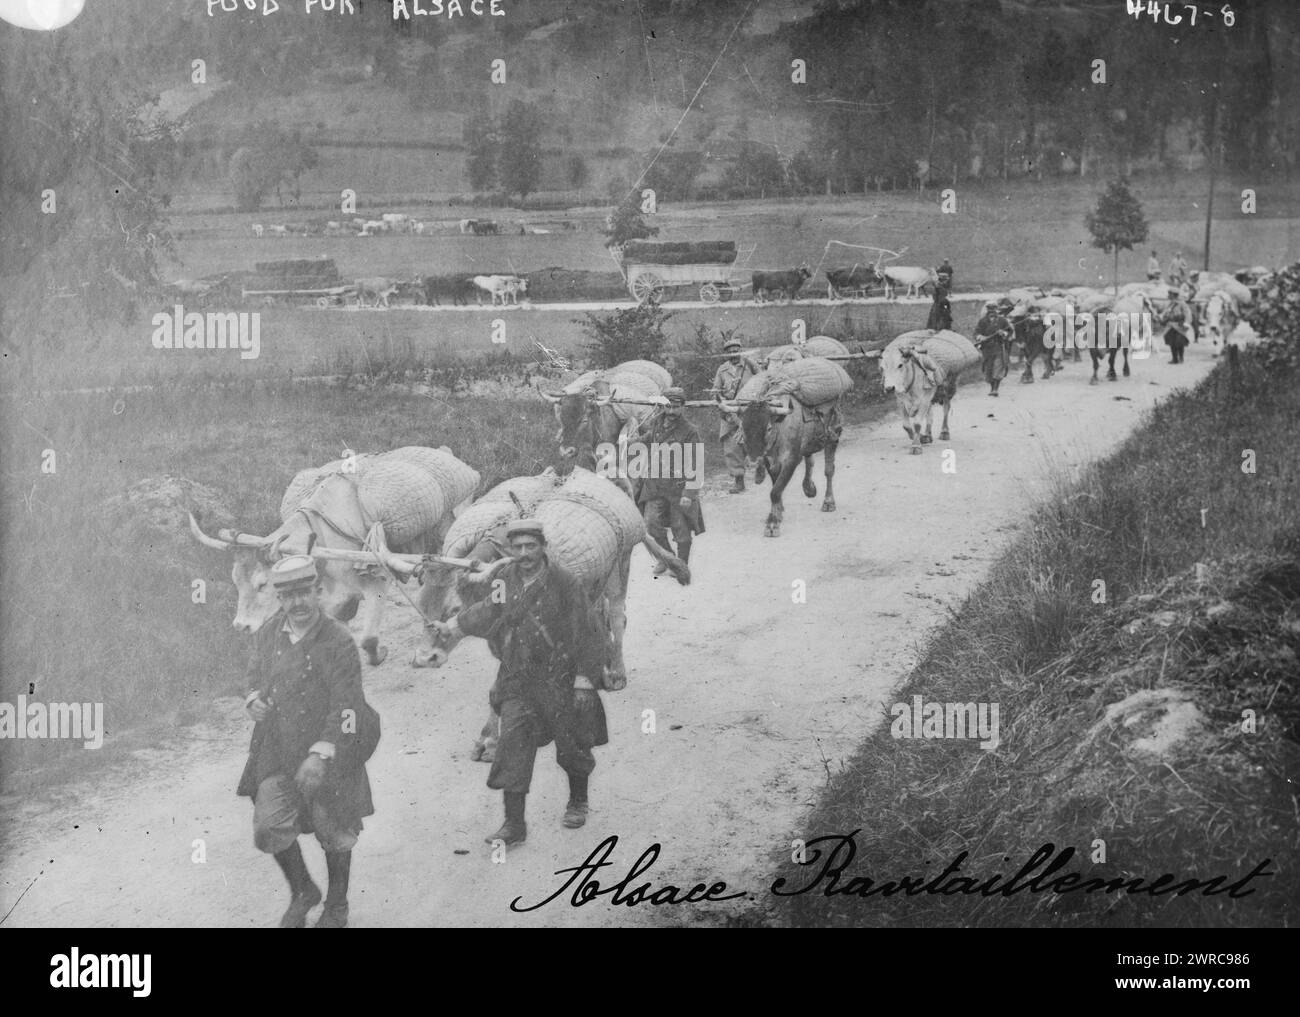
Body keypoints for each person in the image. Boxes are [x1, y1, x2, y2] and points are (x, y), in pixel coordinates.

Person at [428, 520, 608, 847]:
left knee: (573, 743)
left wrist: (584, 678)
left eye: (531, 546)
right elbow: (489, 609)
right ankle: (514, 825)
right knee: (512, 744)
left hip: (561, 678)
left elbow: (588, 630)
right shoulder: (506, 579)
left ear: (542, 547)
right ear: (511, 549)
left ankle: (577, 801)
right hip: (517, 679)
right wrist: (453, 626)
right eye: (518, 547)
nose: (524, 554)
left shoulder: (564, 583)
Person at [238, 555, 377, 929]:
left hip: (332, 750)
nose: (296, 604)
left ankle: (337, 905)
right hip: (279, 749)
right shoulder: (269, 632)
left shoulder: (338, 640)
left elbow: (347, 705)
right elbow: (252, 674)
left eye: (303, 593)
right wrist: (254, 699)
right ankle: (303, 891)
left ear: (318, 591)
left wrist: (321, 753)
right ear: (279, 599)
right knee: (268, 826)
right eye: (287, 596)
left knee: (334, 830)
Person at [637, 387, 705, 573]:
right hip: (655, 485)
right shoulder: (658, 423)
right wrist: (631, 441)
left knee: (681, 531)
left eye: (676, 407)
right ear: (662, 407)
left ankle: (681, 564)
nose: (672, 412)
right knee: (651, 525)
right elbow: (650, 438)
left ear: (683, 407)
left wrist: (689, 494)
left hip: (678, 488)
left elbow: (696, 464)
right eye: (668, 407)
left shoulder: (690, 432)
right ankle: (668, 559)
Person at [711, 337, 761, 493]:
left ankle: (760, 465)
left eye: (736, 350)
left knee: (756, 441)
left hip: (749, 409)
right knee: (731, 446)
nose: (734, 354)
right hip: (729, 412)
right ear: (726, 354)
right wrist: (721, 400)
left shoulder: (749, 364)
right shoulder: (722, 369)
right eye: (730, 352)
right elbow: (715, 390)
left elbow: (764, 379)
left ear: (741, 350)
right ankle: (739, 480)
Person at [973, 300, 1013, 396]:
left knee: (998, 367)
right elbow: (976, 333)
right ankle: (992, 388)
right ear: (987, 310)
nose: (992, 311)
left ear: (996, 309)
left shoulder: (1002, 320)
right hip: (987, 349)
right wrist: (981, 337)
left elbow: (1009, 331)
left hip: (999, 347)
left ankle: (995, 389)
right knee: (989, 368)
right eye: (990, 309)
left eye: (994, 309)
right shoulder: (982, 321)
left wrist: (1003, 333)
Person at [1160, 297, 1191, 363]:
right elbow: (1165, 313)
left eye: (1170, 294)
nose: (1169, 296)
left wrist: (1187, 323)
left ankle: (1181, 358)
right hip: (1170, 326)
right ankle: (1174, 359)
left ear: (1174, 295)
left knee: (1180, 343)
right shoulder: (1170, 304)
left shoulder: (1182, 304)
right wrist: (1163, 319)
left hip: (1179, 325)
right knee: (1172, 343)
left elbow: (1187, 314)